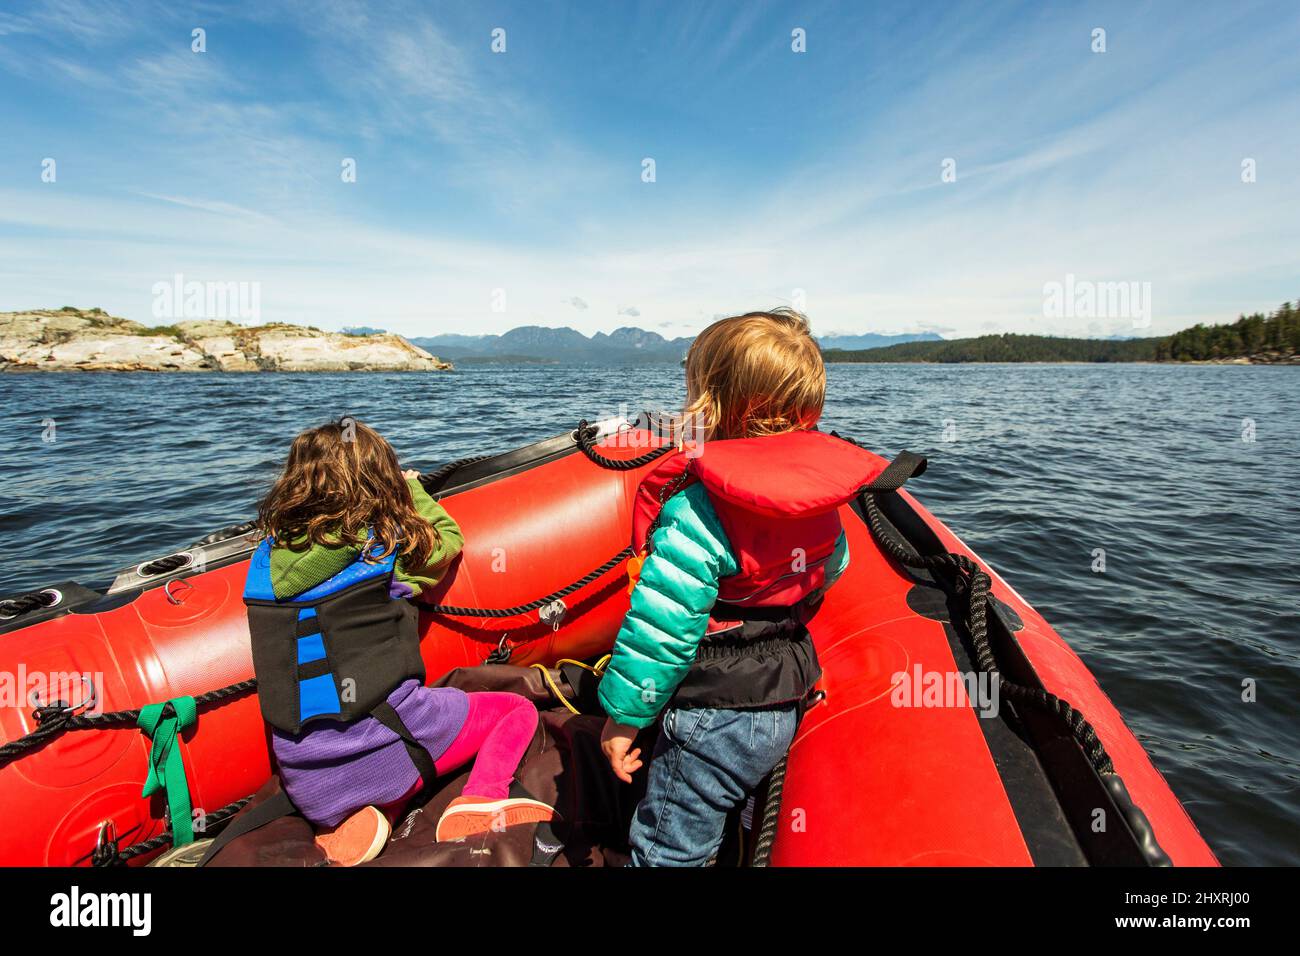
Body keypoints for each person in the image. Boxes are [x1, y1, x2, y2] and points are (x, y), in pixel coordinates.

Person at [598, 309, 886, 866]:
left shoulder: (697, 511)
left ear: (710, 404)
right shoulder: (819, 503)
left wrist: (622, 720)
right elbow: (836, 566)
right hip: (785, 693)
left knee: (669, 847)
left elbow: (662, 633)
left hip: (713, 716)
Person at [246, 419, 552, 866]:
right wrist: (415, 493)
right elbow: (448, 542)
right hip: (385, 743)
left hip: (305, 784)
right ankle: (482, 799)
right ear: (381, 482)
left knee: (378, 738)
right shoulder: (382, 550)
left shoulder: (262, 562)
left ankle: (360, 818)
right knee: (516, 710)